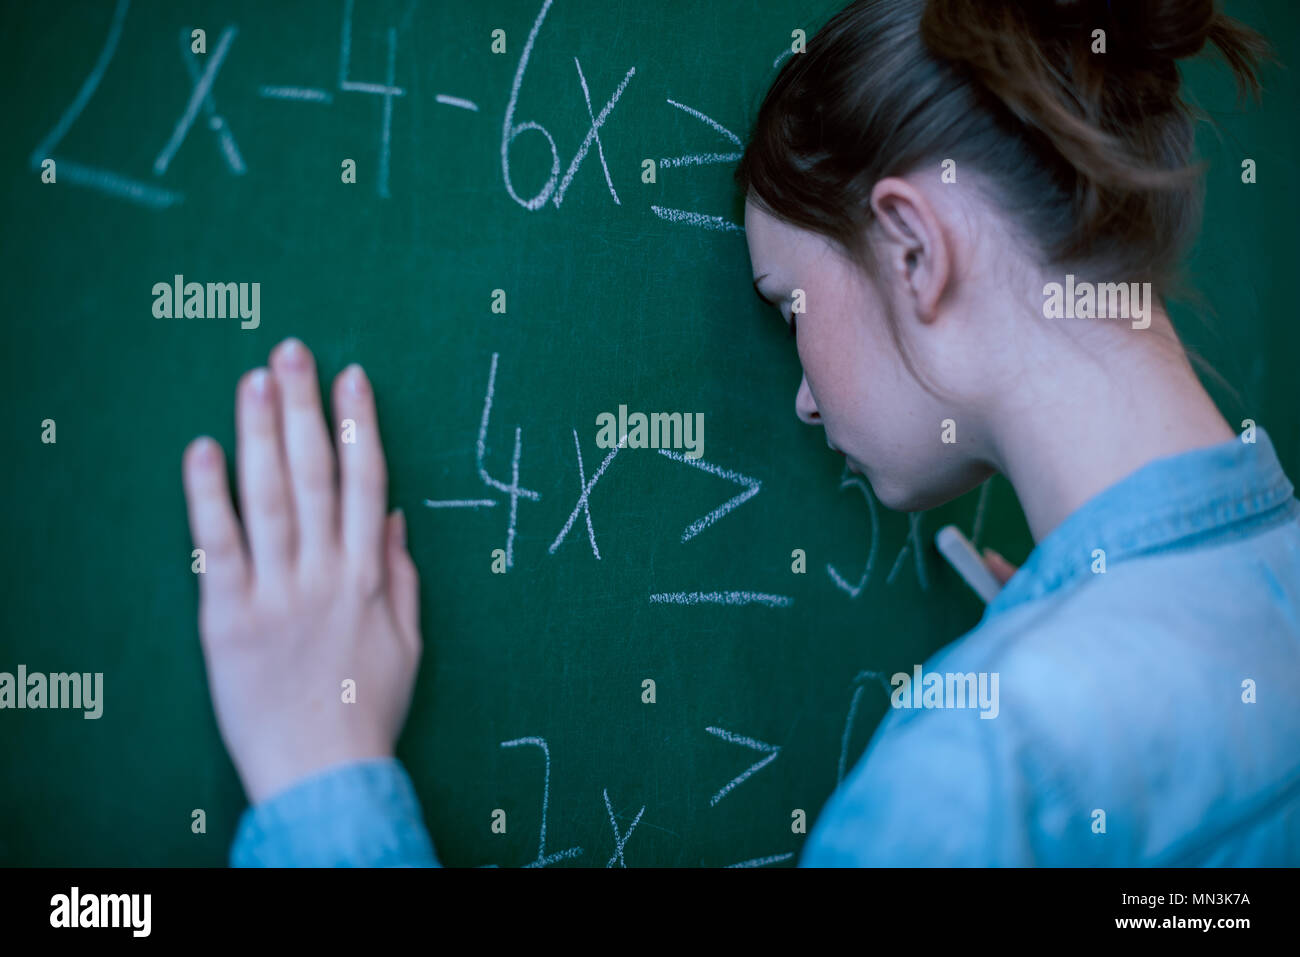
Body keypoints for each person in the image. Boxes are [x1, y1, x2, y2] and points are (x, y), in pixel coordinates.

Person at [181, 0, 1298, 866]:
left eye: (790, 306)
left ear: (913, 248)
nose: (803, 399)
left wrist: (319, 784)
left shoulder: (981, 776)